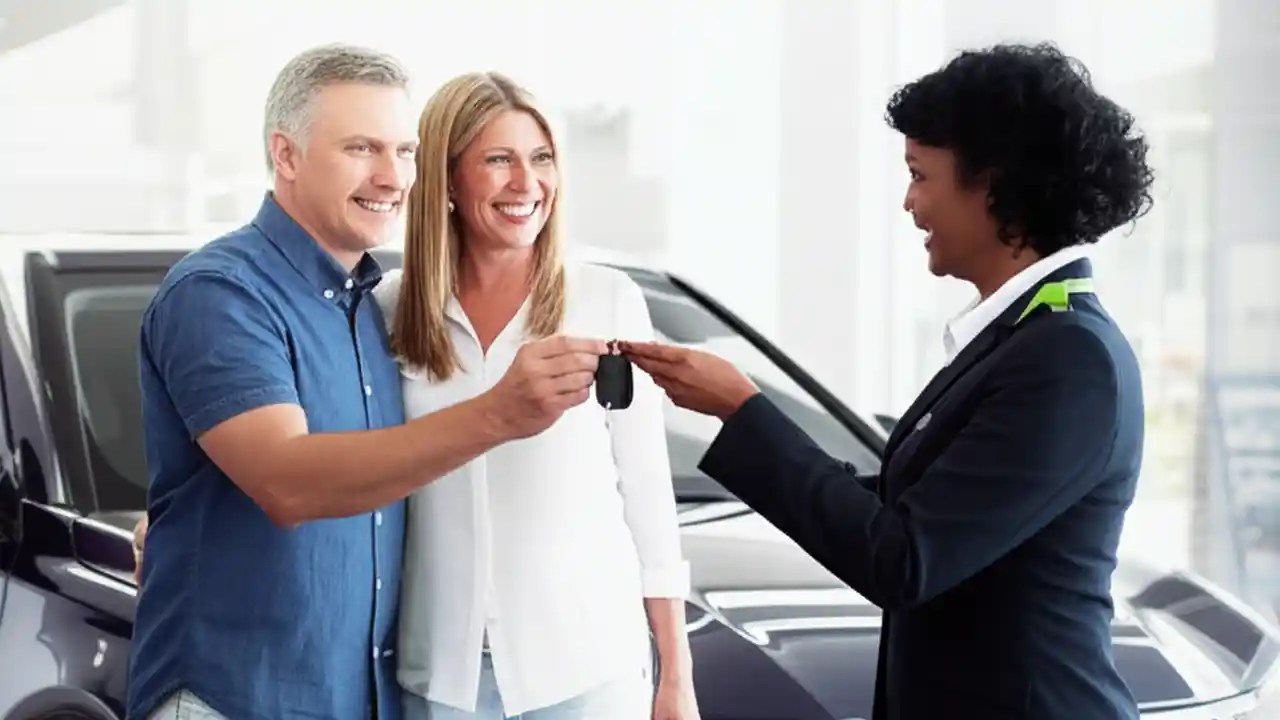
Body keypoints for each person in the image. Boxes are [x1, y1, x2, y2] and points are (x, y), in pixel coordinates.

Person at [622, 42, 1154, 720]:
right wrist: (745, 419)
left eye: (920, 175)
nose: (909, 203)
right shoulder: (1021, 339)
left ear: (994, 184)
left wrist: (744, 407)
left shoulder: (1070, 361)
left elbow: (903, 559)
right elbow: (912, 508)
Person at [127, 46, 607, 720]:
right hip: (234, 698)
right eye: (361, 148)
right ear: (286, 155)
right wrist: (497, 413)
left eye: (405, 151)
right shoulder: (221, 293)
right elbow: (290, 480)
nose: (393, 177)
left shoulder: (373, 306)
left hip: (355, 699)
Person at [371, 72, 699, 720]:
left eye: (541, 158)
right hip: (438, 679)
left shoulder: (605, 301)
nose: (527, 183)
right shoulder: (388, 308)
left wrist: (676, 678)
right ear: (447, 180)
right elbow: (334, 461)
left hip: (585, 676)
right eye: (499, 160)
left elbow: (647, 497)